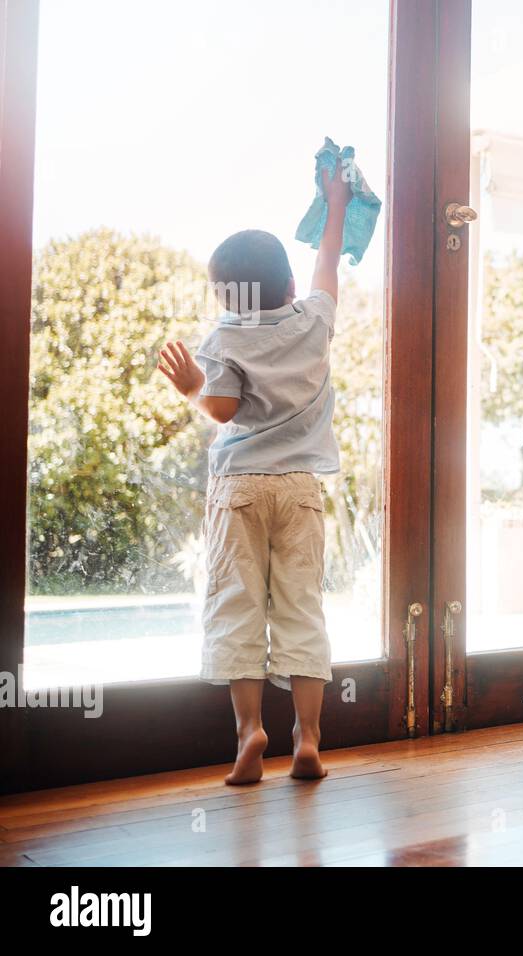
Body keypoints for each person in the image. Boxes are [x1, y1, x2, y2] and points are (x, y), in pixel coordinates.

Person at [156, 162, 352, 784]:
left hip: (240, 490)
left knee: (238, 605)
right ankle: (309, 736)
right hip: (299, 491)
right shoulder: (314, 319)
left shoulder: (222, 337)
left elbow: (223, 410)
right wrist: (336, 201)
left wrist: (192, 386)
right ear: (289, 282)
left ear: (224, 298)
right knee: (301, 607)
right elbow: (330, 261)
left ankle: (250, 730)